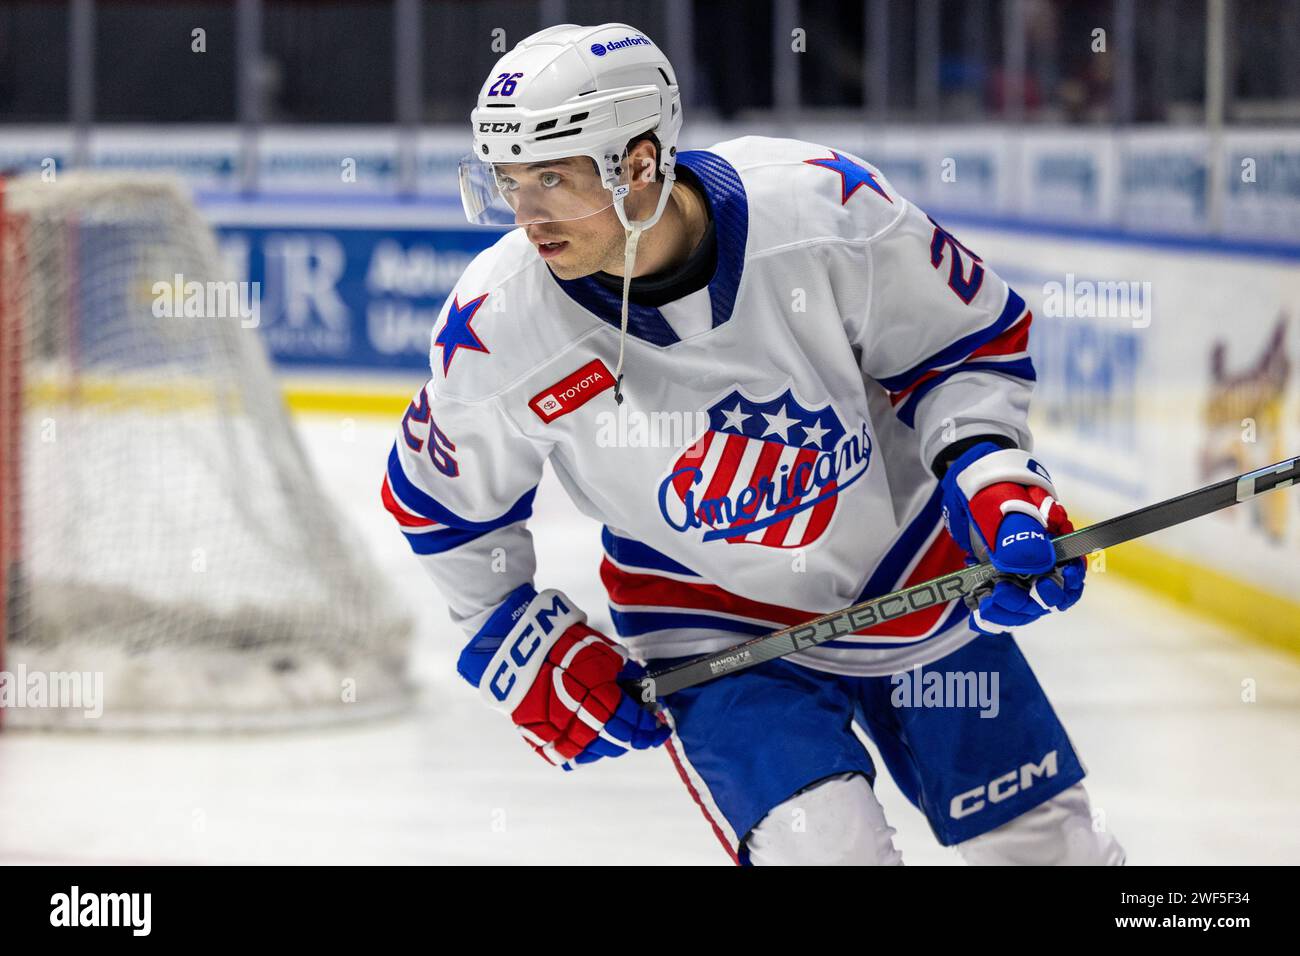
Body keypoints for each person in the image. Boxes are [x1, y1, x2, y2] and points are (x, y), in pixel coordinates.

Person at [382, 21, 1124, 866]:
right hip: (713, 628)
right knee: (829, 856)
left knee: (1050, 853)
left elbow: (957, 347)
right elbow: (443, 508)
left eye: (552, 178)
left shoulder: (820, 206)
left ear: (639, 161)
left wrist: (991, 473)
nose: (526, 217)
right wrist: (518, 641)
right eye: (509, 182)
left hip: (917, 573)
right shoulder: (498, 328)